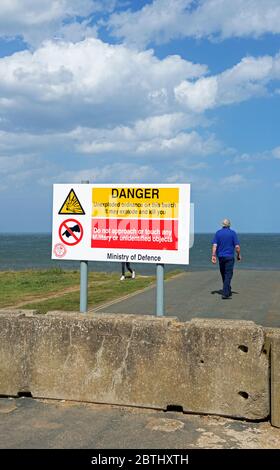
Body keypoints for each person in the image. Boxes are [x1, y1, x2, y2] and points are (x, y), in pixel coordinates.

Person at [211, 218, 241, 299]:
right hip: (229, 257)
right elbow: (237, 247)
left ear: (222, 224)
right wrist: (238, 255)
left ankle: (227, 288)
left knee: (223, 273)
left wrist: (213, 255)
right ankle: (225, 293)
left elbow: (214, 245)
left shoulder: (218, 233)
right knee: (228, 274)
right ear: (229, 225)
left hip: (221, 257)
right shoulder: (233, 233)